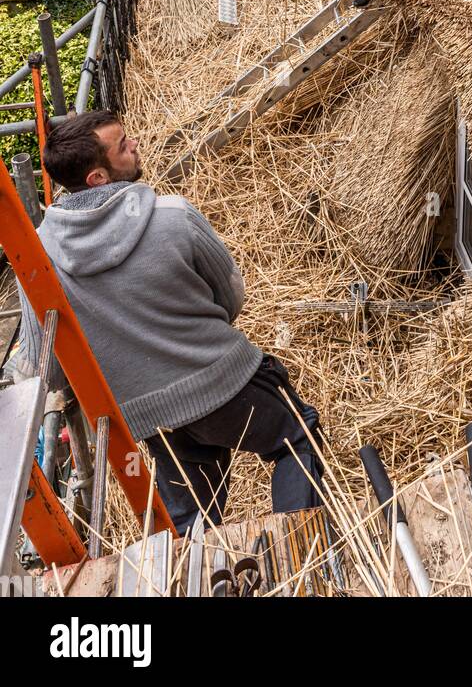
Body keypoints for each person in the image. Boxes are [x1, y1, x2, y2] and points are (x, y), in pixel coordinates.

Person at [9, 110, 322, 533]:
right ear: (99, 177)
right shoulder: (173, 215)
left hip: (151, 417)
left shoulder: (39, 259)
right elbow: (231, 296)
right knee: (297, 440)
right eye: (123, 144)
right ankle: (298, 546)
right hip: (223, 383)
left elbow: (45, 369)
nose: (135, 143)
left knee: (192, 516)